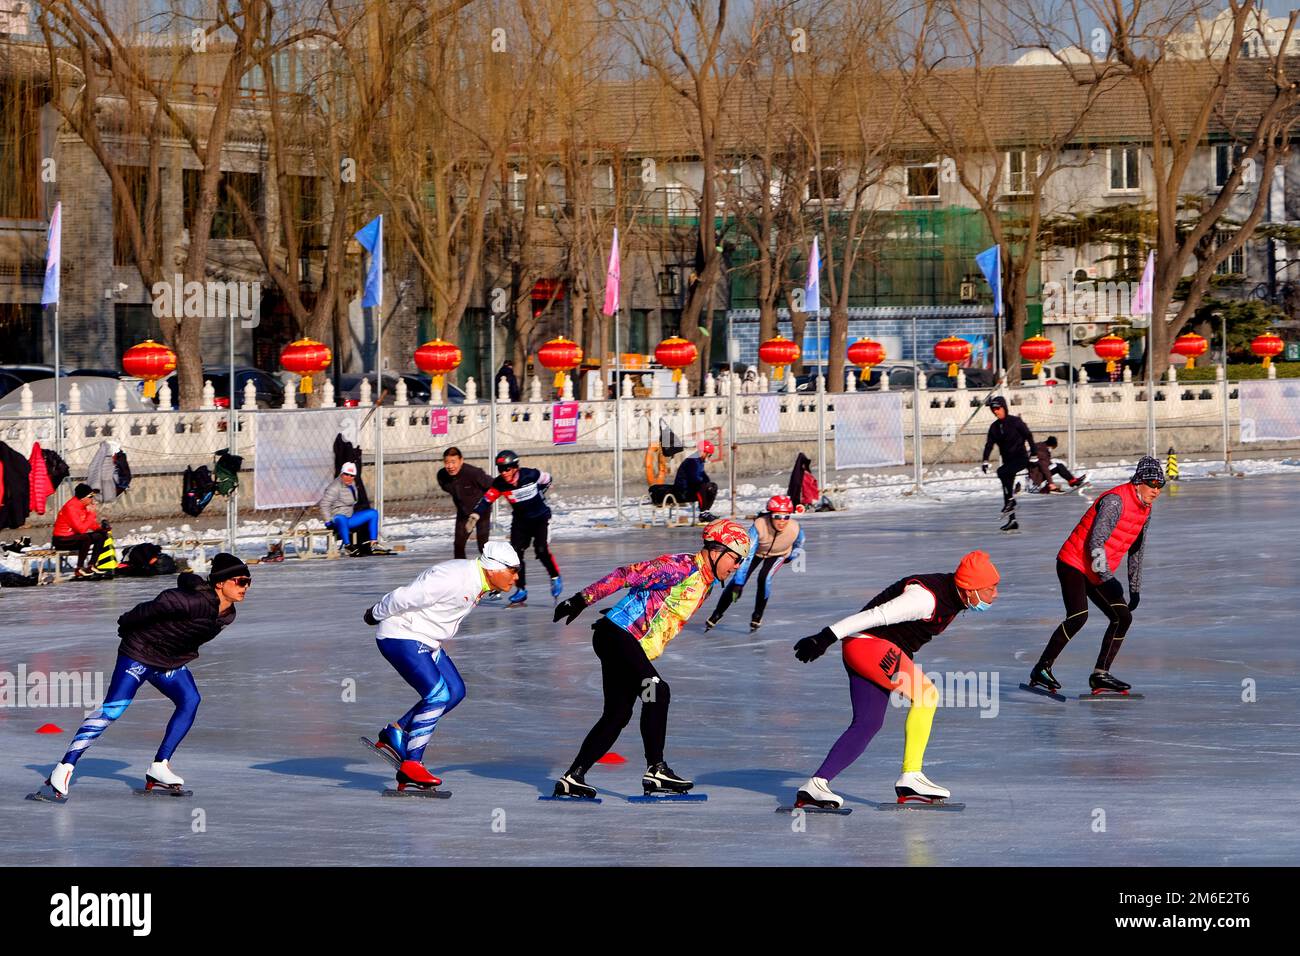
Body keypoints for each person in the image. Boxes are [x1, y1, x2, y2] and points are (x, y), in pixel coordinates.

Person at [549, 519, 752, 800]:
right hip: (618, 637)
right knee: (657, 690)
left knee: (617, 715)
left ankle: (573, 777)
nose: (737, 566)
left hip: (623, 643)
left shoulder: (705, 581)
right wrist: (581, 599)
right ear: (717, 550)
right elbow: (626, 574)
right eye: (735, 559)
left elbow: (651, 599)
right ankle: (656, 770)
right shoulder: (682, 567)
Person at [789, 551, 1002, 810]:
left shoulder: (955, 596)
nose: (995, 594)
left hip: (867, 648)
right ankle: (911, 776)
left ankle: (816, 785)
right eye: (991, 589)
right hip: (868, 645)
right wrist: (824, 637)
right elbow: (874, 616)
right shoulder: (925, 598)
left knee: (867, 723)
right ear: (970, 589)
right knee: (926, 695)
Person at [33, 553, 251, 801]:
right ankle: (63, 769)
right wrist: (126, 626)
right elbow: (151, 608)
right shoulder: (189, 601)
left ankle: (159, 767)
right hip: (139, 653)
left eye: (248, 582)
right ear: (221, 582)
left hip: (167, 660)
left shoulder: (227, 615)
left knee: (190, 700)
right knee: (113, 710)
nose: (245, 587)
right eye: (240, 581)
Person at [361, 541, 521, 793]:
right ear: (493, 569)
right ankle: (412, 763)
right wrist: (375, 613)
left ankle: (397, 732)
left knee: (455, 692)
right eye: (512, 570)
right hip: (401, 634)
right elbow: (404, 596)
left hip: (426, 638)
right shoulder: (453, 577)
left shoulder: (480, 580)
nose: (516, 577)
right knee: (438, 695)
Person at [1028, 456, 1163, 696]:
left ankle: (1100, 674)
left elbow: (1137, 548)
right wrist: (1108, 578)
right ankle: (1042, 668)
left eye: (1160, 485)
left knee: (1122, 617)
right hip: (1073, 562)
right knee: (1078, 615)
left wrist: (1135, 587)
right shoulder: (1115, 501)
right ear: (1139, 481)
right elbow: (1095, 542)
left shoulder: (1145, 509)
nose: (1156, 490)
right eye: (1152, 484)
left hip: (1096, 569)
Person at [467, 449, 560, 606]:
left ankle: (555, 578)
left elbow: (548, 479)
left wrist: (541, 491)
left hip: (540, 518)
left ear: (515, 467)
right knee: (515, 556)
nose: (504, 472)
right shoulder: (499, 484)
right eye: (500, 469)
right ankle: (521, 590)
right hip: (520, 521)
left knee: (541, 550)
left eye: (507, 468)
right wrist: (475, 515)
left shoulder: (531, 475)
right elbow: (486, 500)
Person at [705, 494, 805, 632]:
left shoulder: (795, 528)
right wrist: (739, 584)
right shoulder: (759, 525)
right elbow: (747, 555)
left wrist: (792, 556)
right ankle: (717, 613)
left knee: (765, 578)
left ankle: (757, 615)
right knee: (736, 581)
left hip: (779, 554)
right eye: (777, 516)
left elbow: (800, 542)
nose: (782, 521)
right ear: (770, 515)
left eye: (786, 517)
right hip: (756, 552)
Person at [981, 395, 1037, 532]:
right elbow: (989, 444)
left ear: (1004, 408)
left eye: (998, 409)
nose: (996, 411)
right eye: (993, 410)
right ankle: (1012, 520)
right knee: (1007, 487)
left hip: (1021, 458)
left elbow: (1028, 435)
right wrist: (985, 460)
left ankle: (1012, 501)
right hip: (1008, 461)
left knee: (1001, 472)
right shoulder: (994, 427)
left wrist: (1034, 453)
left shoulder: (1015, 422)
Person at [437, 446, 493, 558]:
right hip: (464, 513)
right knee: (458, 544)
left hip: (482, 512)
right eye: (447, 462)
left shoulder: (474, 473)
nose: (450, 466)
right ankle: (461, 569)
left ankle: (492, 568)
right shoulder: (442, 476)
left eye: (454, 462)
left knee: (482, 545)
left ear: (461, 460)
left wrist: (482, 506)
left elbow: (493, 485)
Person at [319, 462, 383, 556]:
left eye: (352, 475)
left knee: (373, 513)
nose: (349, 477)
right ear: (341, 474)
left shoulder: (352, 485)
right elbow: (324, 505)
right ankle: (348, 545)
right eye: (346, 474)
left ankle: (373, 544)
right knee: (341, 518)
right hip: (337, 519)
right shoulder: (334, 487)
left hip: (349, 517)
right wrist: (328, 522)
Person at [51, 483, 107, 578]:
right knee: (85, 538)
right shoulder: (71, 507)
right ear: (82, 498)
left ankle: (91, 565)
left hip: (74, 537)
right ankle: (79, 568)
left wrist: (101, 529)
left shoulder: (83, 506)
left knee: (101, 536)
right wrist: (91, 514)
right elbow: (81, 529)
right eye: (90, 496)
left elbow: (90, 524)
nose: (92, 499)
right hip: (62, 540)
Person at [674, 438, 718, 521]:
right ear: (703, 452)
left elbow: (704, 477)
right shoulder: (692, 461)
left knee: (713, 486)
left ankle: (706, 512)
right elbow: (694, 479)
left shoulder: (698, 461)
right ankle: (703, 514)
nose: (709, 457)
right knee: (704, 486)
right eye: (709, 454)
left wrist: (710, 485)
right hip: (683, 491)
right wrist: (706, 485)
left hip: (690, 488)